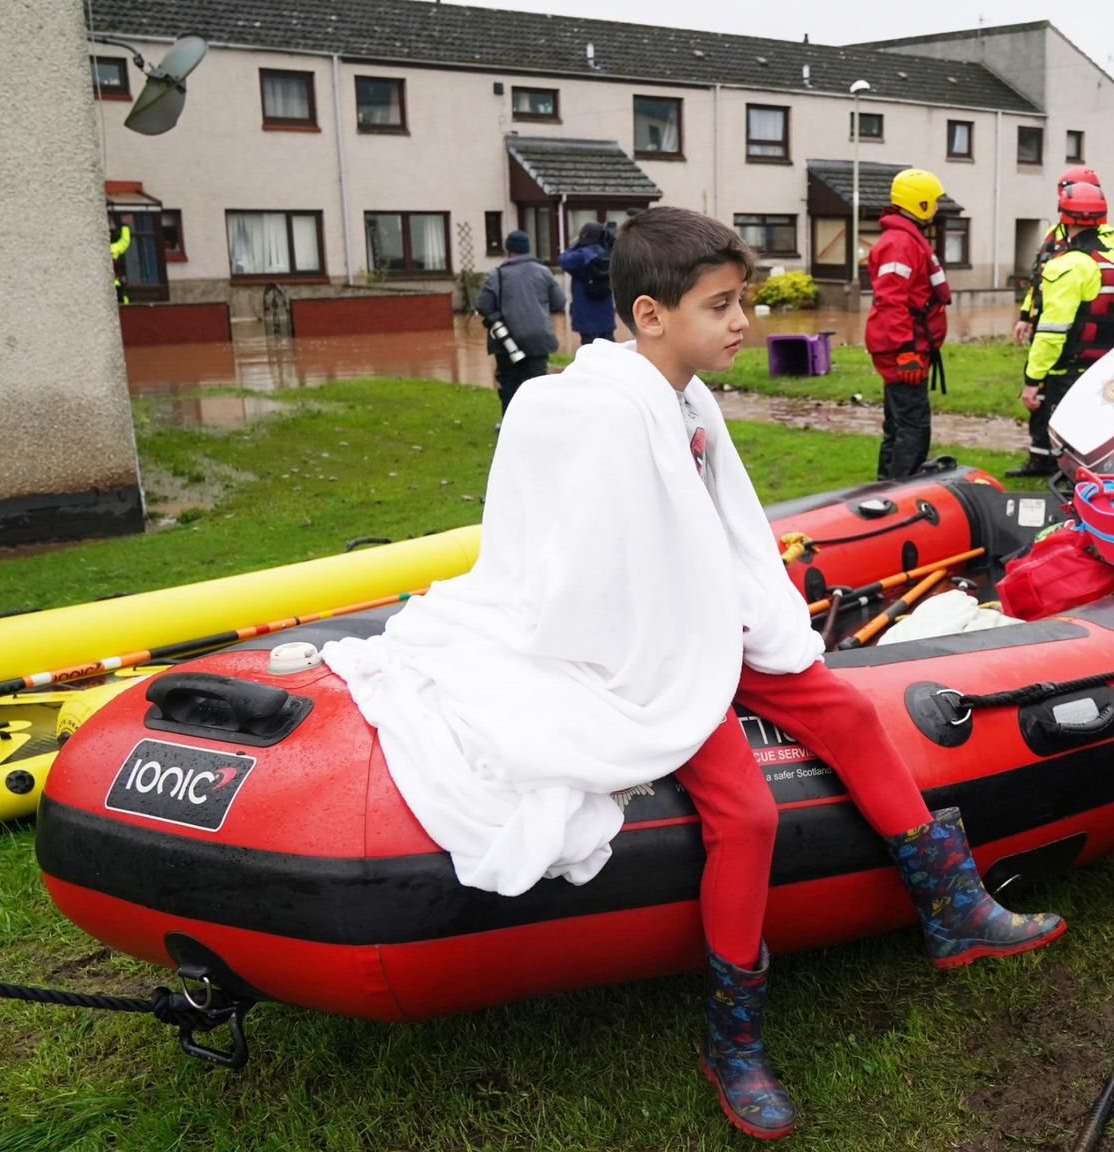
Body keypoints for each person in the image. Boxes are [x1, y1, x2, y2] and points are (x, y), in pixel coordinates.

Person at [323, 207, 1062, 1140]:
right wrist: (692, 650)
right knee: (746, 814)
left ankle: (953, 907)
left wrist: (759, 627)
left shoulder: (685, 399)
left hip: (708, 620)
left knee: (844, 711)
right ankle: (734, 1036)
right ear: (650, 313)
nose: (743, 320)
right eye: (721, 305)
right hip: (645, 647)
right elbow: (593, 568)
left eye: (742, 300)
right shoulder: (598, 410)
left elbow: (720, 529)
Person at [1010, 183, 1114, 478]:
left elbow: (1051, 333)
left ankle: (1073, 498)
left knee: (1069, 446)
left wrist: (1032, 380)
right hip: (1109, 369)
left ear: (1063, 219)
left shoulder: (1067, 267)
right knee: (1099, 442)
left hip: (1071, 371)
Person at [865, 168, 953, 480]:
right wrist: (906, 350)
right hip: (905, 350)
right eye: (934, 201)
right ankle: (900, 493)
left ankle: (885, 486)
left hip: (907, 347)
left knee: (899, 425)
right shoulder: (901, 244)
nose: (937, 208)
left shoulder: (905, 240)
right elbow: (891, 300)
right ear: (921, 204)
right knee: (914, 428)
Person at [1012, 166, 1114, 346]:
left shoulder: (1106, 235)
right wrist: (1025, 315)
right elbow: (1039, 278)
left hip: (1077, 321)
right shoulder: (1053, 232)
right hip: (1047, 316)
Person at [474, 229, 566, 412]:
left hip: (507, 341)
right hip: (539, 339)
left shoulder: (497, 274)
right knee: (537, 384)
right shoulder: (544, 272)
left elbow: (482, 304)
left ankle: (510, 425)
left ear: (509, 251)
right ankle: (538, 422)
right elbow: (560, 302)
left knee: (509, 384)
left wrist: (497, 317)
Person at [557, 220, 617, 346]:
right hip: (606, 313)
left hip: (585, 313)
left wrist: (577, 244)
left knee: (590, 354)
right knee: (610, 351)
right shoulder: (610, 253)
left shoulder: (582, 255)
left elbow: (563, 260)